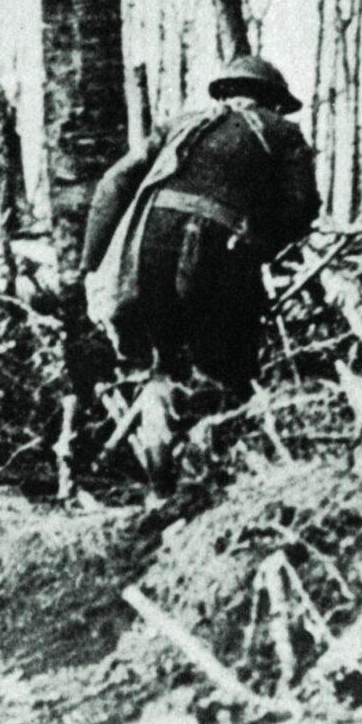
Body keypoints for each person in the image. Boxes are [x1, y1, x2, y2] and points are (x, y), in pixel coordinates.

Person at [82, 56, 320, 494]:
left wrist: (91, 264)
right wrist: (261, 244)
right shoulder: (282, 133)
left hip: (146, 250)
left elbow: (115, 183)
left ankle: (161, 487)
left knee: (163, 363)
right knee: (230, 365)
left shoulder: (179, 125)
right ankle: (215, 485)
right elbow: (302, 205)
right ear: (273, 100)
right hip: (218, 253)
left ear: (226, 90)